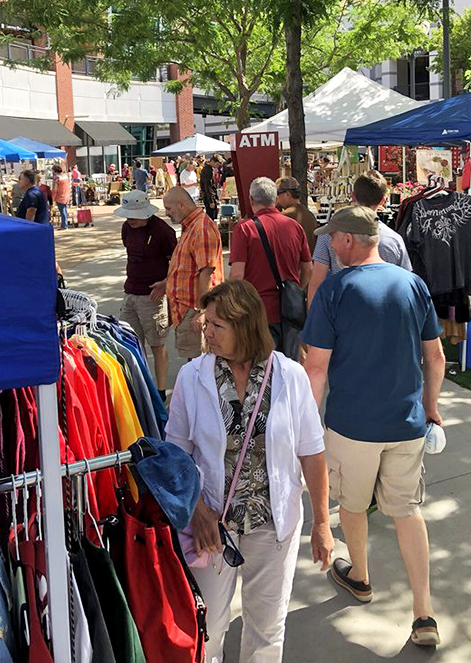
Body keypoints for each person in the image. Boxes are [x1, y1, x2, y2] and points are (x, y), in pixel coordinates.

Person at [167, 280, 334, 663]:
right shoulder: (192, 378)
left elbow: (312, 452)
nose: (205, 332)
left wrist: (322, 523)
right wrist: (196, 510)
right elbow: (176, 455)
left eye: (216, 326)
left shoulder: (290, 377)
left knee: (267, 629)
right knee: (208, 627)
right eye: (206, 323)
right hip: (212, 529)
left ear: (244, 326)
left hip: (273, 527)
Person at [302, 206, 446, 648]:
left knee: (352, 504)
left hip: (352, 425)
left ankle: (360, 577)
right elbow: (435, 357)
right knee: (406, 511)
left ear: (347, 240)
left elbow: (316, 367)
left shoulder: (335, 290)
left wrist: (308, 423)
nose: (331, 244)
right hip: (405, 422)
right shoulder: (412, 284)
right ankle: (424, 613)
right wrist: (431, 407)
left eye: (334, 238)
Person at [229, 177, 312, 353]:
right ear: (275, 200)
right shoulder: (294, 227)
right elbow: (307, 268)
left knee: (261, 370)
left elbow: (237, 275)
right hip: (290, 310)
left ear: (251, 200)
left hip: (258, 311)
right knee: (287, 368)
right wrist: (294, 290)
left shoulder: (244, 229)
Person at [308, 170, 411, 305]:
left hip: (343, 310)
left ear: (352, 196)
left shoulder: (329, 234)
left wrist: (313, 320)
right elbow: (406, 284)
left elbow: (316, 284)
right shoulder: (395, 240)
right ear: (383, 200)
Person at [115, 190, 177, 400]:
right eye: (128, 215)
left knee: (157, 345)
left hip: (153, 296)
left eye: (134, 216)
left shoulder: (162, 231)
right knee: (130, 343)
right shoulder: (127, 228)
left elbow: (178, 264)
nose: (130, 220)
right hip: (130, 292)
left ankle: (160, 392)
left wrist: (167, 284)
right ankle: (140, 386)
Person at [151, 187, 224, 361]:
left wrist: (202, 311)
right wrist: (167, 283)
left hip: (193, 310)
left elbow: (207, 273)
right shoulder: (191, 226)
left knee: (199, 366)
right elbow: (187, 267)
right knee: (194, 366)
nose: (167, 213)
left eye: (169, 209)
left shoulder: (201, 228)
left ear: (181, 205)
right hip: (186, 310)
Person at [276, 175, 318, 253]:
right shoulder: (310, 216)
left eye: (277, 193)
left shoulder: (283, 217)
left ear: (287, 194)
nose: (276, 197)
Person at [200, 154, 221, 220]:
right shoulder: (207, 171)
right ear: (212, 162)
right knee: (212, 216)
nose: (217, 167)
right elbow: (208, 186)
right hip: (208, 196)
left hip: (209, 195)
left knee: (213, 215)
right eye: (217, 164)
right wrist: (211, 200)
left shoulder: (209, 169)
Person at [51, 163, 71, 230]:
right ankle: (65, 224)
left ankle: (64, 225)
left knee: (62, 211)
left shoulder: (56, 178)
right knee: (64, 210)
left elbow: (55, 189)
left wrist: (53, 197)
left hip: (60, 196)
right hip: (66, 194)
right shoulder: (65, 176)